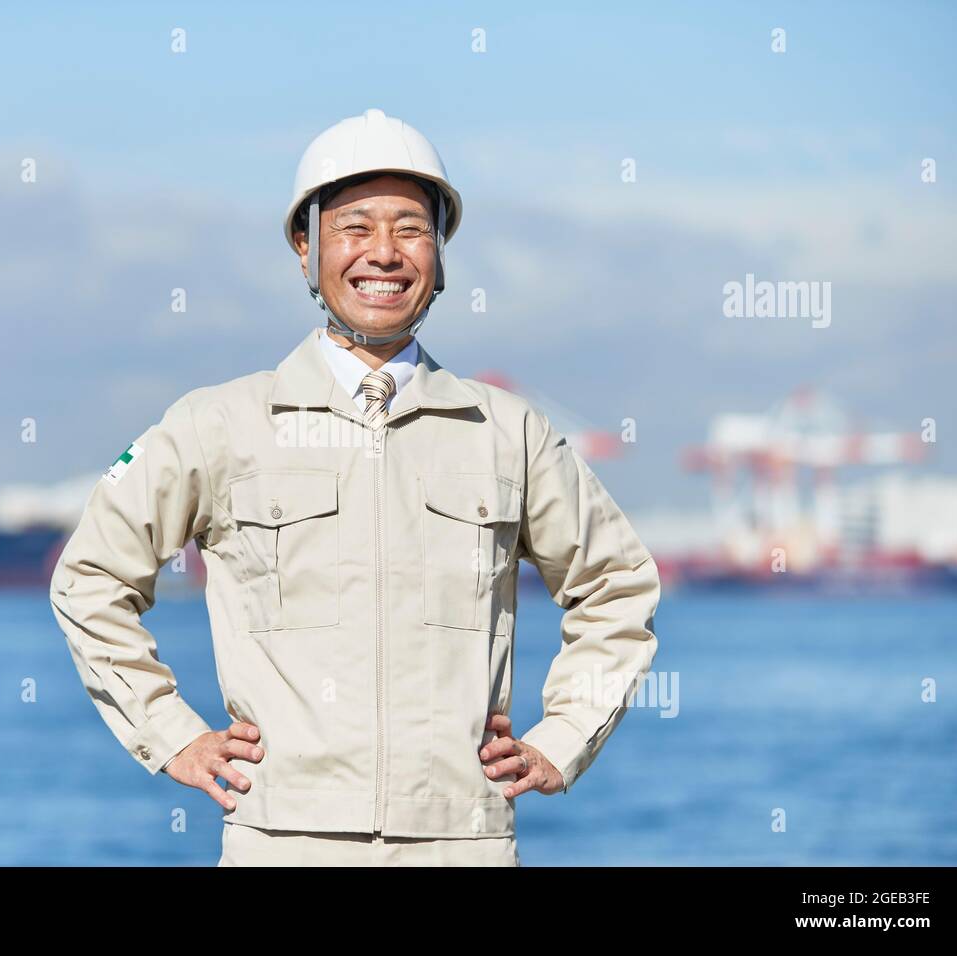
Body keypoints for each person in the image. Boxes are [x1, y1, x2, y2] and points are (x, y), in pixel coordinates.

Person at [49, 108, 661, 867]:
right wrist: (171, 733)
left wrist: (562, 740)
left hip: (462, 843)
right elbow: (90, 577)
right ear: (304, 247)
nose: (384, 254)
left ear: (440, 254)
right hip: (281, 842)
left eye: (410, 229)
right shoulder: (219, 423)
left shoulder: (509, 432)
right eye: (354, 227)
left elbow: (618, 584)